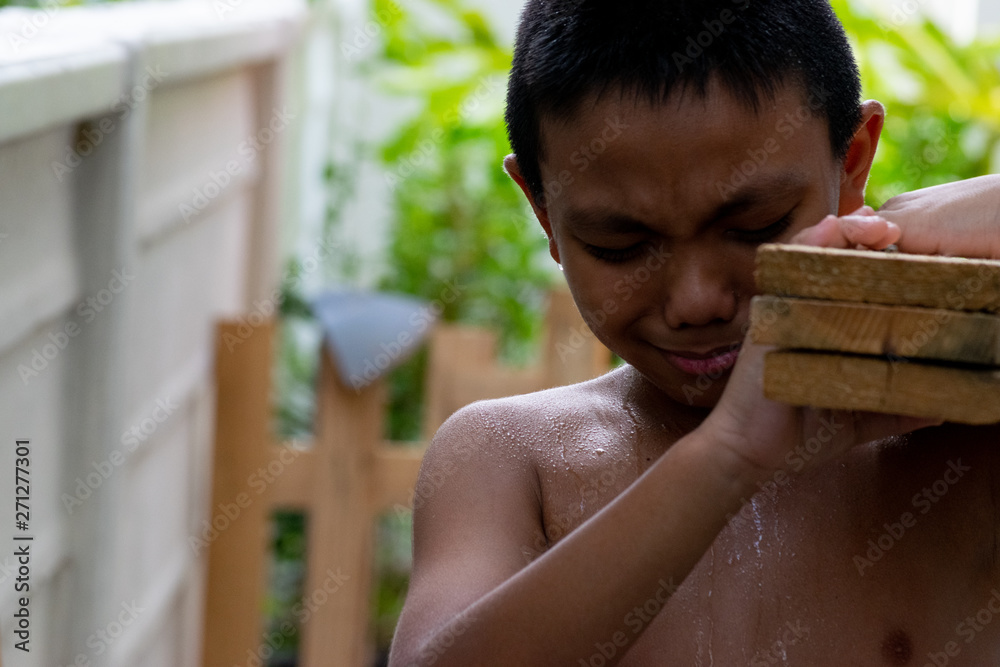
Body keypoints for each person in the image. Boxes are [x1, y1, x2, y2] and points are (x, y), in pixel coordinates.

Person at [388, 1, 1000, 664]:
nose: (697, 300)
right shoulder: (511, 460)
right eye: (620, 243)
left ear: (851, 162)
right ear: (544, 213)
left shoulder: (960, 428)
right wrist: (728, 455)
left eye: (756, 225)